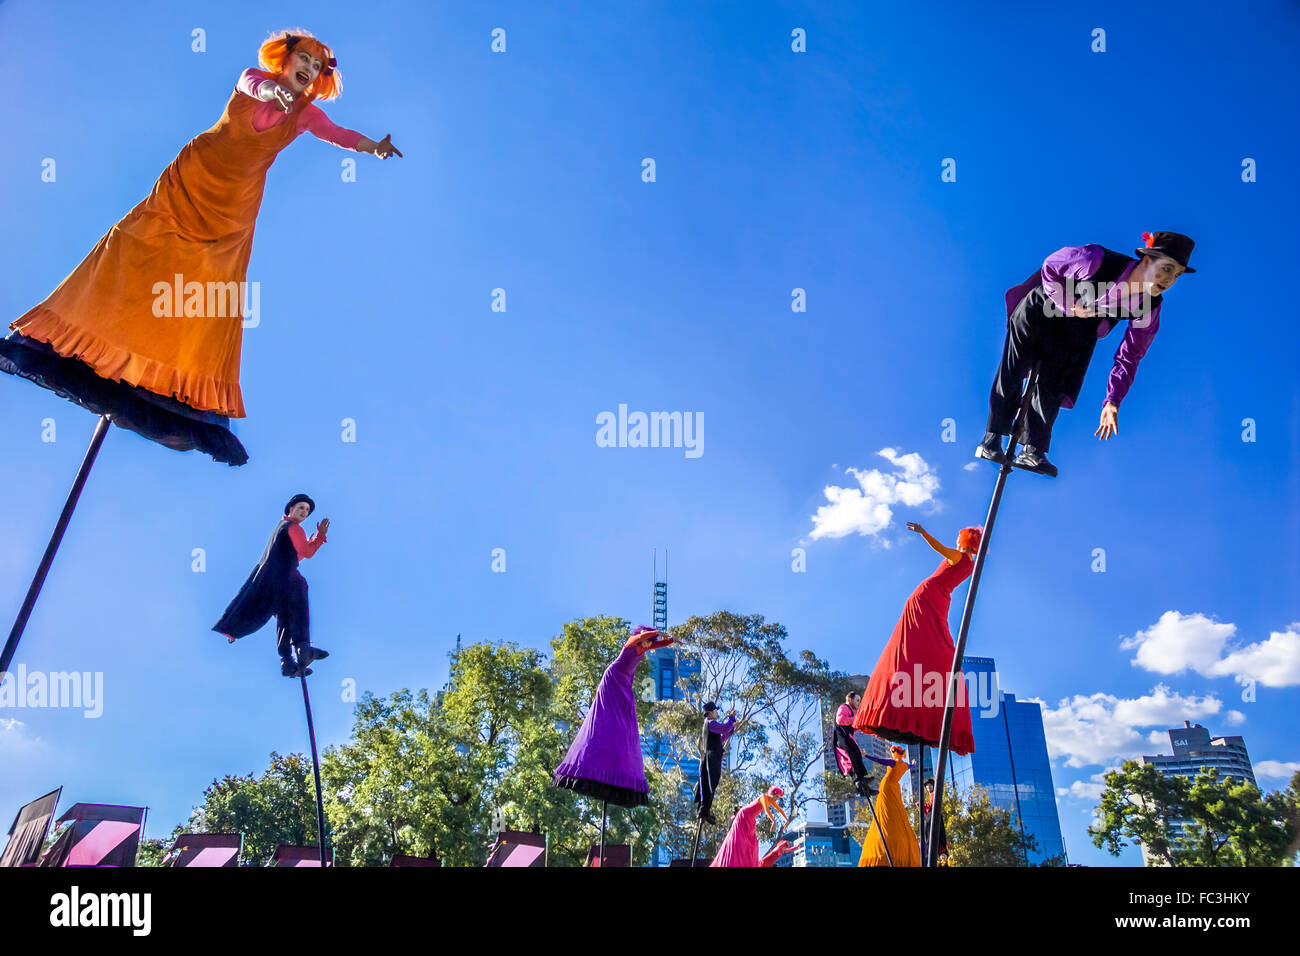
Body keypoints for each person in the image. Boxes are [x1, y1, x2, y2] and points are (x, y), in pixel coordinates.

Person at [0, 30, 402, 465]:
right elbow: (253, 85)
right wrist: (271, 90)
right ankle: (69, 334)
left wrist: (372, 147)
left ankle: (178, 387)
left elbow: (338, 133)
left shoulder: (306, 115)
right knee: (130, 244)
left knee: (207, 294)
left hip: (232, 213)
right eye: (303, 59)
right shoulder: (254, 79)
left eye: (317, 67)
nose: (308, 69)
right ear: (284, 62)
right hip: (191, 180)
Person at [976, 231, 1196, 477]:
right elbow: (1051, 267)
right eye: (1166, 268)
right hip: (1041, 311)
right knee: (1014, 370)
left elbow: (1131, 354)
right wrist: (1069, 305)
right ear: (1146, 260)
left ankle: (1033, 450)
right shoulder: (1095, 259)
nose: (1169, 279)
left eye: (1176, 275)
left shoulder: (1149, 306)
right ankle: (992, 438)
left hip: (1078, 331)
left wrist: (1113, 400)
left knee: (1053, 386)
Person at [853, 523, 979, 756]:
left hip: (928, 597)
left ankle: (909, 699)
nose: (956, 541)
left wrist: (924, 533)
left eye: (959, 538)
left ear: (965, 542)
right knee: (930, 642)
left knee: (922, 642)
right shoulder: (970, 565)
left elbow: (939, 548)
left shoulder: (961, 557)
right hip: (937, 600)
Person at [552, 626, 674, 807]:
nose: (649, 644)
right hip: (612, 679)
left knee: (627, 724)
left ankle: (617, 762)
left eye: (651, 642)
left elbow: (656, 643)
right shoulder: (630, 644)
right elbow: (644, 637)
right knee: (609, 719)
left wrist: (670, 641)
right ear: (639, 637)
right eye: (648, 640)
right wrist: (656, 633)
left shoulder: (645, 646)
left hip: (625, 684)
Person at [213, 494, 331, 677]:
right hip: (287, 579)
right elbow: (307, 553)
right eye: (301, 507)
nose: (304, 512)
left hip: (271, 582)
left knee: (285, 617)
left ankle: (287, 662)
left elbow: (296, 555)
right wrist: (320, 536)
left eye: (307, 510)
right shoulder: (293, 527)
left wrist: (315, 539)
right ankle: (303, 647)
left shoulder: (280, 529)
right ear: (290, 509)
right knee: (299, 608)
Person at [857, 746, 920, 867]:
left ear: (895, 753)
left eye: (892, 752)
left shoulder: (894, 762)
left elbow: (880, 760)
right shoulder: (904, 765)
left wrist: (866, 755)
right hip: (895, 788)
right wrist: (912, 764)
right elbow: (910, 766)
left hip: (887, 787)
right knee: (895, 811)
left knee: (887, 812)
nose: (891, 754)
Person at [710, 786, 790, 867]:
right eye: (776, 796)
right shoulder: (764, 797)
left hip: (751, 819)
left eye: (778, 797)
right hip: (744, 815)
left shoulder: (771, 800)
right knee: (741, 841)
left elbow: (779, 810)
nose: (776, 799)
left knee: (752, 844)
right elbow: (766, 809)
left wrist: (787, 819)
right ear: (772, 793)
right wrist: (773, 820)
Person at [694, 702, 737, 824]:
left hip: (712, 758)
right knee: (709, 784)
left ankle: (705, 811)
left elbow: (722, 737)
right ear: (710, 713)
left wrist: (732, 727)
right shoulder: (711, 723)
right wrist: (731, 718)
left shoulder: (710, 725)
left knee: (710, 785)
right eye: (715, 711)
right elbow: (724, 728)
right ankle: (704, 811)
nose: (717, 713)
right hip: (712, 758)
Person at [833, 691, 873, 798]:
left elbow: (852, 727)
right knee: (854, 757)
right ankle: (860, 780)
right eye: (857, 700)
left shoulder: (852, 712)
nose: (858, 703)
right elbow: (840, 720)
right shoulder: (844, 707)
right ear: (850, 700)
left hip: (847, 738)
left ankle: (864, 787)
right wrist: (856, 719)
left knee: (856, 756)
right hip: (842, 739)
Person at [922, 777, 949, 866]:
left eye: (929, 786)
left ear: (933, 786)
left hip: (934, 818)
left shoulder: (934, 794)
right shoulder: (931, 795)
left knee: (935, 838)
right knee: (933, 839)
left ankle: (939, 856)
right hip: (932, 819)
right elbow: (929, 806)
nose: (928, 787)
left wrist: (923, 805)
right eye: (927, 787)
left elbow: (931, 806)